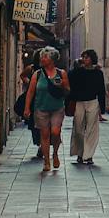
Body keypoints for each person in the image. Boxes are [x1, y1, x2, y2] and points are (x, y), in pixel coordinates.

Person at [26, 46, 69, 174]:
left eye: (45, 57)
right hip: (41, 108)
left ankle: (55, 153)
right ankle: (46, 161)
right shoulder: (37, 74)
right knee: (44, 135)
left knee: (55, 132)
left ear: (52, 59)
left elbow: (68, 91)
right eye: (41, 57)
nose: (42, 59)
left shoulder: (61, 73)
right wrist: (27, 108)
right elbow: (30, 92)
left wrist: (62, 85)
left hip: (57, 107)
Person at [66, 49, 106, 165]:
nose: (84, 59)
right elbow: (70, 79)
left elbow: (101, 90)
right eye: (83, 57)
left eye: (87, 57)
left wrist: (102, 107)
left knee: (91, 129)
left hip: (93, 102)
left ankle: (88, 156)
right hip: (79, 102)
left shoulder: (98, 73)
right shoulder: (78, 71)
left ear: (92, 59)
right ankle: (79, 153)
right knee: (78, 128)